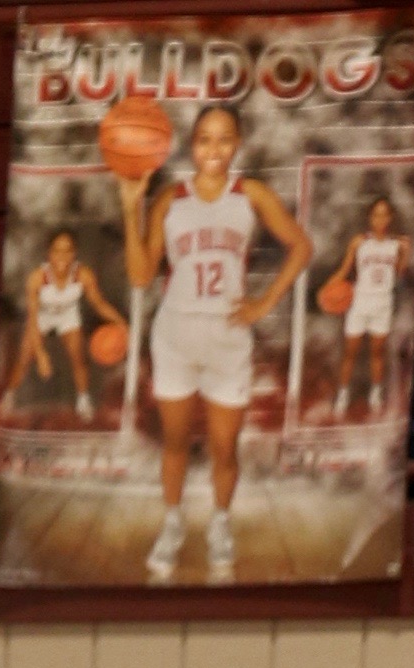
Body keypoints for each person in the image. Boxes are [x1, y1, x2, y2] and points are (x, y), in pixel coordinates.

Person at [127, 101, 308, 581]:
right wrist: (131, 207)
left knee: (226, 448)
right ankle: (172, 523)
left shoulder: (251, 194)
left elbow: (301, 246)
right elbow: (141, 274)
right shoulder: (169, 197)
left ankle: (220, 523)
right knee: (175, 443)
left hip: (228, 339)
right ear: (192, 145)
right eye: (205, 139)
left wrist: (264, 303)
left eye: (224, 138)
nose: (214, 148)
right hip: (175, 337)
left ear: (238, 144)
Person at [3, 218, 128, 423]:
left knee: (78, 356)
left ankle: (83, 400)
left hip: (67, 313)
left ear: (74, 253)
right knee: (25, 357)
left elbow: (99, 303)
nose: (62, 256)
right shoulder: (37, 278)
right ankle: (9, 395)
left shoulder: (82, 274)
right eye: (57, 250)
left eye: (67, 250)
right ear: (49, 253)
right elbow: (33, 318)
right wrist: (41, 355)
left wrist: (120, 322)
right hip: (42, 315)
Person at [335, 190, 409, 408]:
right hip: (359, 303)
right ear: (370, 217)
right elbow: (344, 270)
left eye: (384, 215)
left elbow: (399, 274)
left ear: (390, 218)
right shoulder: (359, 242)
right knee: (350, 352)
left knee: (377, 353)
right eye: (376, 214)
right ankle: (343, 393)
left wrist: (405, 253)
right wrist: (328, 287)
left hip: (382, 304)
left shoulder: (396, 245)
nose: (380, 219)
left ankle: (375, 392)